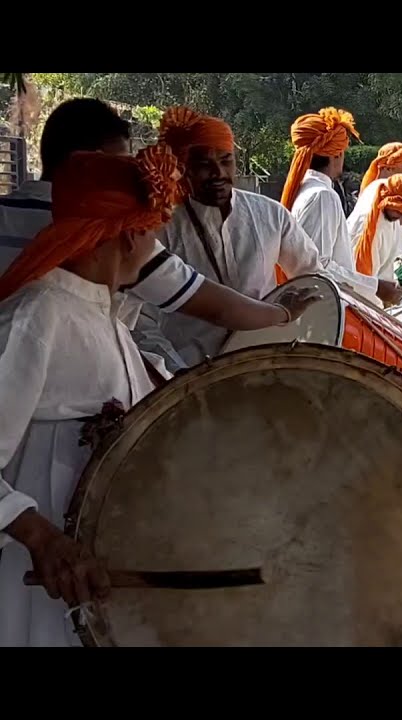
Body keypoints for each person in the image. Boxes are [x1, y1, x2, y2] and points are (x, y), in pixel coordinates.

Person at [0, 143, 289, 646]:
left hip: (101, 583)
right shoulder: (37, 317)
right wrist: (40, 538)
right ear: (134, 234)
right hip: (53, 586)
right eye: (157, 231)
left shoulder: (107, 314)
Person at [0, 99, 318, 345]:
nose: (135, 175)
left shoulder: (270, 214)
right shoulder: (118, 229)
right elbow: (214, 306)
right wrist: (282, 312)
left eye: (226, 160)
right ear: (90, 163)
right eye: (124, 164)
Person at [139, 107, 324, 369]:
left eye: (226, 161)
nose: (218, 173)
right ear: (183, 168)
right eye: (204, 165)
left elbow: (315, 280)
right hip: (195, 374)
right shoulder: (162, 228)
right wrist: (177, 375)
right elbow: (141, 321)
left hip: (269, 362)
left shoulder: (271, 215)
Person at [280, 107, 402, 307]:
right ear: (336, 154)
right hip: (324, 310)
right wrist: (376, 287)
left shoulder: (307, 190)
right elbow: (318, 266)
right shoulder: (322, 196)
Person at [346, 173, 402, 303]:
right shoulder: (367, 226)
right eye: (398, 210)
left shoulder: (389, 209)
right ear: (387, 199)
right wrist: (381, 291)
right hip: (360, 301)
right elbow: (356, 279)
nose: (400, 216)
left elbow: (392, 237)